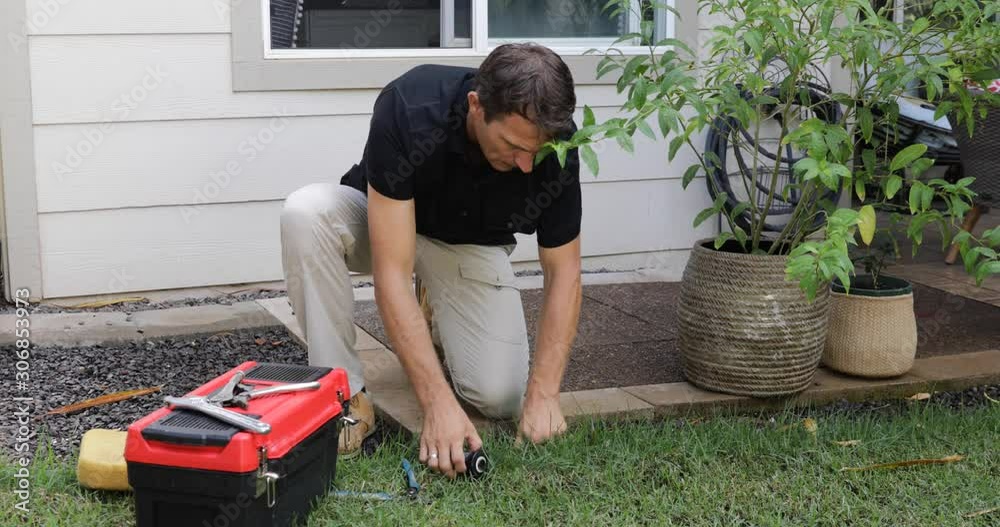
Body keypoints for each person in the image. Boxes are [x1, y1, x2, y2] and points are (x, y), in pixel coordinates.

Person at [279, 43, 583, 478]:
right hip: (386, 225)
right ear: (476, 107)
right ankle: (342, 394)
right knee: (306, 214)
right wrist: (437, 403)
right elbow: (390, 277)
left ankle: (436, 303)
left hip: (465, 244)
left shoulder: (556, 145)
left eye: (536, 151)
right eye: (513, 146)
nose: (526, 165)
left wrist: (546, 393)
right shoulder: (409, 105)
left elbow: (564, 273)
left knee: (501, 397)